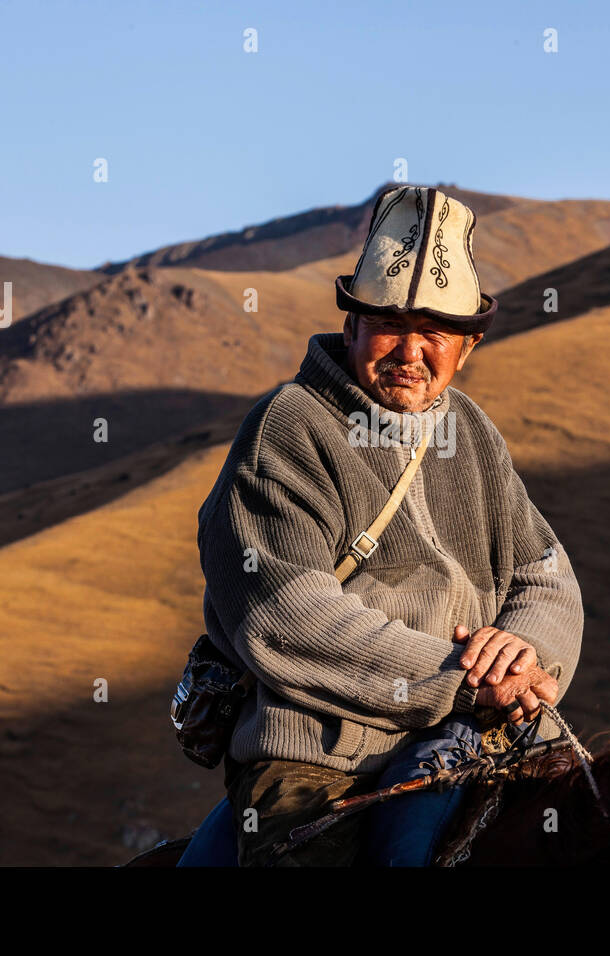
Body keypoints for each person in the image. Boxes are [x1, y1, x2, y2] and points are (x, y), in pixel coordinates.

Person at [179, 184, 584, 866]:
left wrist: (522, 657)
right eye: (389, 324)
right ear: (352, 324)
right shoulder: (289, 428)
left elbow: (545, 577)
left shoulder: (473, 434)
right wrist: (462, 676)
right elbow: (288, 618)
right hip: (322, 763)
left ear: (469, 346)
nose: (410, 350)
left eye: (435, 332)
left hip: (471, 746)